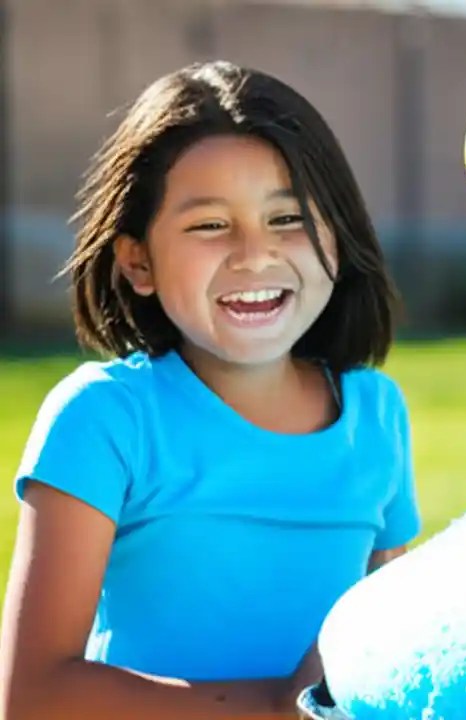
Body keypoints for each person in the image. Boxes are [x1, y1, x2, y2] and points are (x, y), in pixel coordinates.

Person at [0, 61, 421, 719]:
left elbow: (393, 644)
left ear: (336, 242)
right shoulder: (104, 420)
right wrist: (286, 708)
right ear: (137, 261)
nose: (255, 254)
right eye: (209, 225)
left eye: (287, 219)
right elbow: (34, 697)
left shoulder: (377, 413)